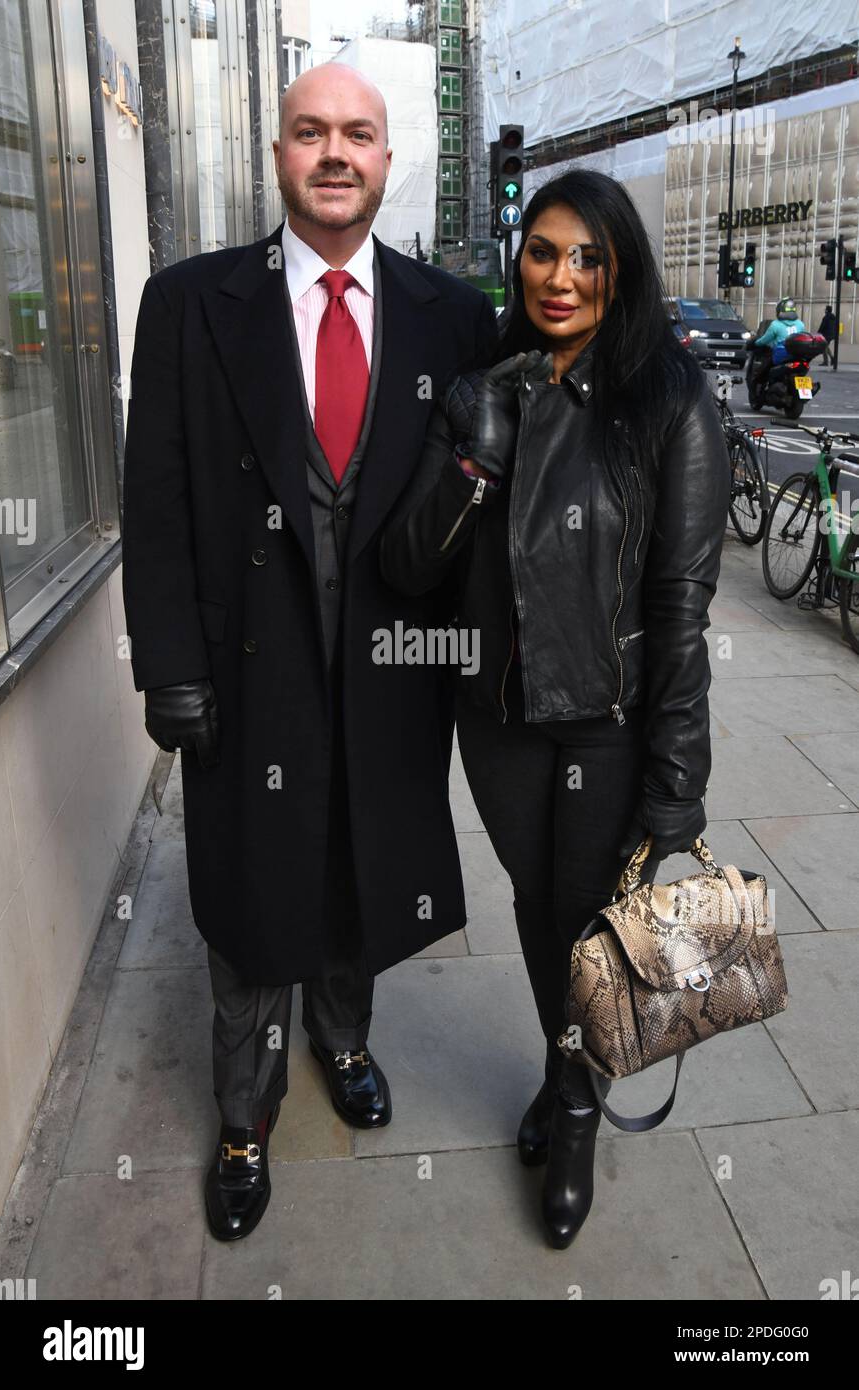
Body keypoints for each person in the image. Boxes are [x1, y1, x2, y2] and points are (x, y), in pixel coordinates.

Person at [122, 61, 498, 1241]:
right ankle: (243, 1117)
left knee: (357, 872)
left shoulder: (452, 315)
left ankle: (342, 1040)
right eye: (309, 133)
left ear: (389, 161)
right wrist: (169, 664)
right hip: (247, 673)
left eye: (358, 135)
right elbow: (156, 501)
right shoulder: (189, 304)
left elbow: (478, 508)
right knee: (247, 904)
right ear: (275, 155)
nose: (334, 154)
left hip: (390, 677)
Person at [380, 169, 730, 1249]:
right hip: (493, 714)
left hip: (605, 719)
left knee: (584, 916)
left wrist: (678, 778)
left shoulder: (667, 398)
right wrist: (472, 456)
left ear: (617, 266)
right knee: (539, 908)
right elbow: (403, 567)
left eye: (586, 256)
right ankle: (561, 1063)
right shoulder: (486, 381)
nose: (561, 276)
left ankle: (573, 1107)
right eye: (542, 250)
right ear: (515, 258)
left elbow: (679, 604)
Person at [752, 296, 806, 378]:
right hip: (798, 357)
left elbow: (764, 340)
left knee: (763, 371)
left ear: (779, 310)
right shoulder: (800, 324)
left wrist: (756, 343)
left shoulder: (775, 325)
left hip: (781, 357)